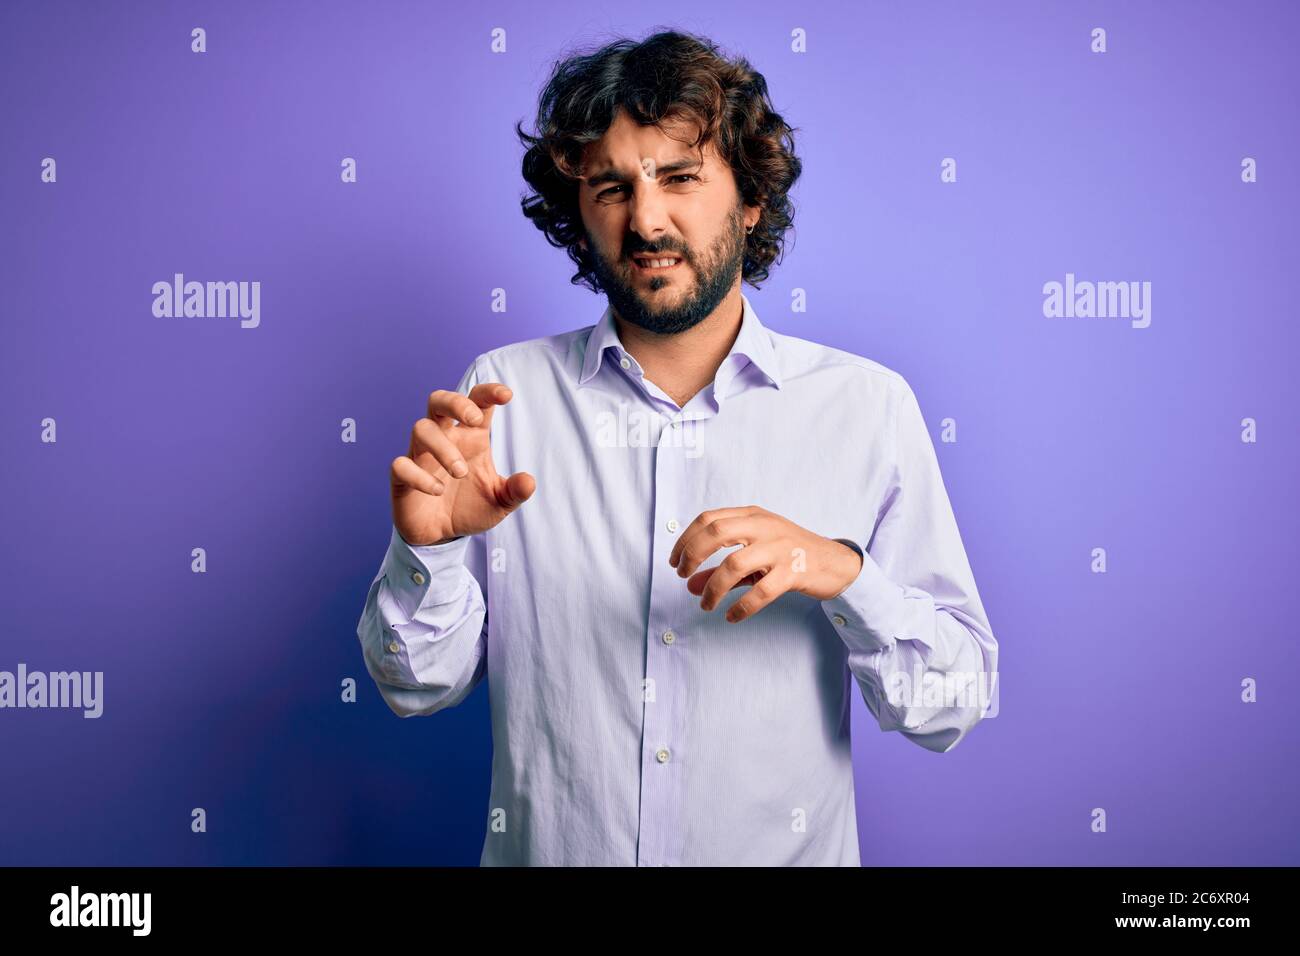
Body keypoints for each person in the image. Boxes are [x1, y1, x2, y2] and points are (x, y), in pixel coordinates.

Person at [356, 30, 998, 866]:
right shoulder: (500, 402)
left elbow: (950, 703)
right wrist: (427, 552)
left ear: (752, 199)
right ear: (577, 213)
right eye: (612, 188)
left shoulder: (866, 408)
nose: (646, 218)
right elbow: (417, 686)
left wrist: (841, 572)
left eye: (681, 177)